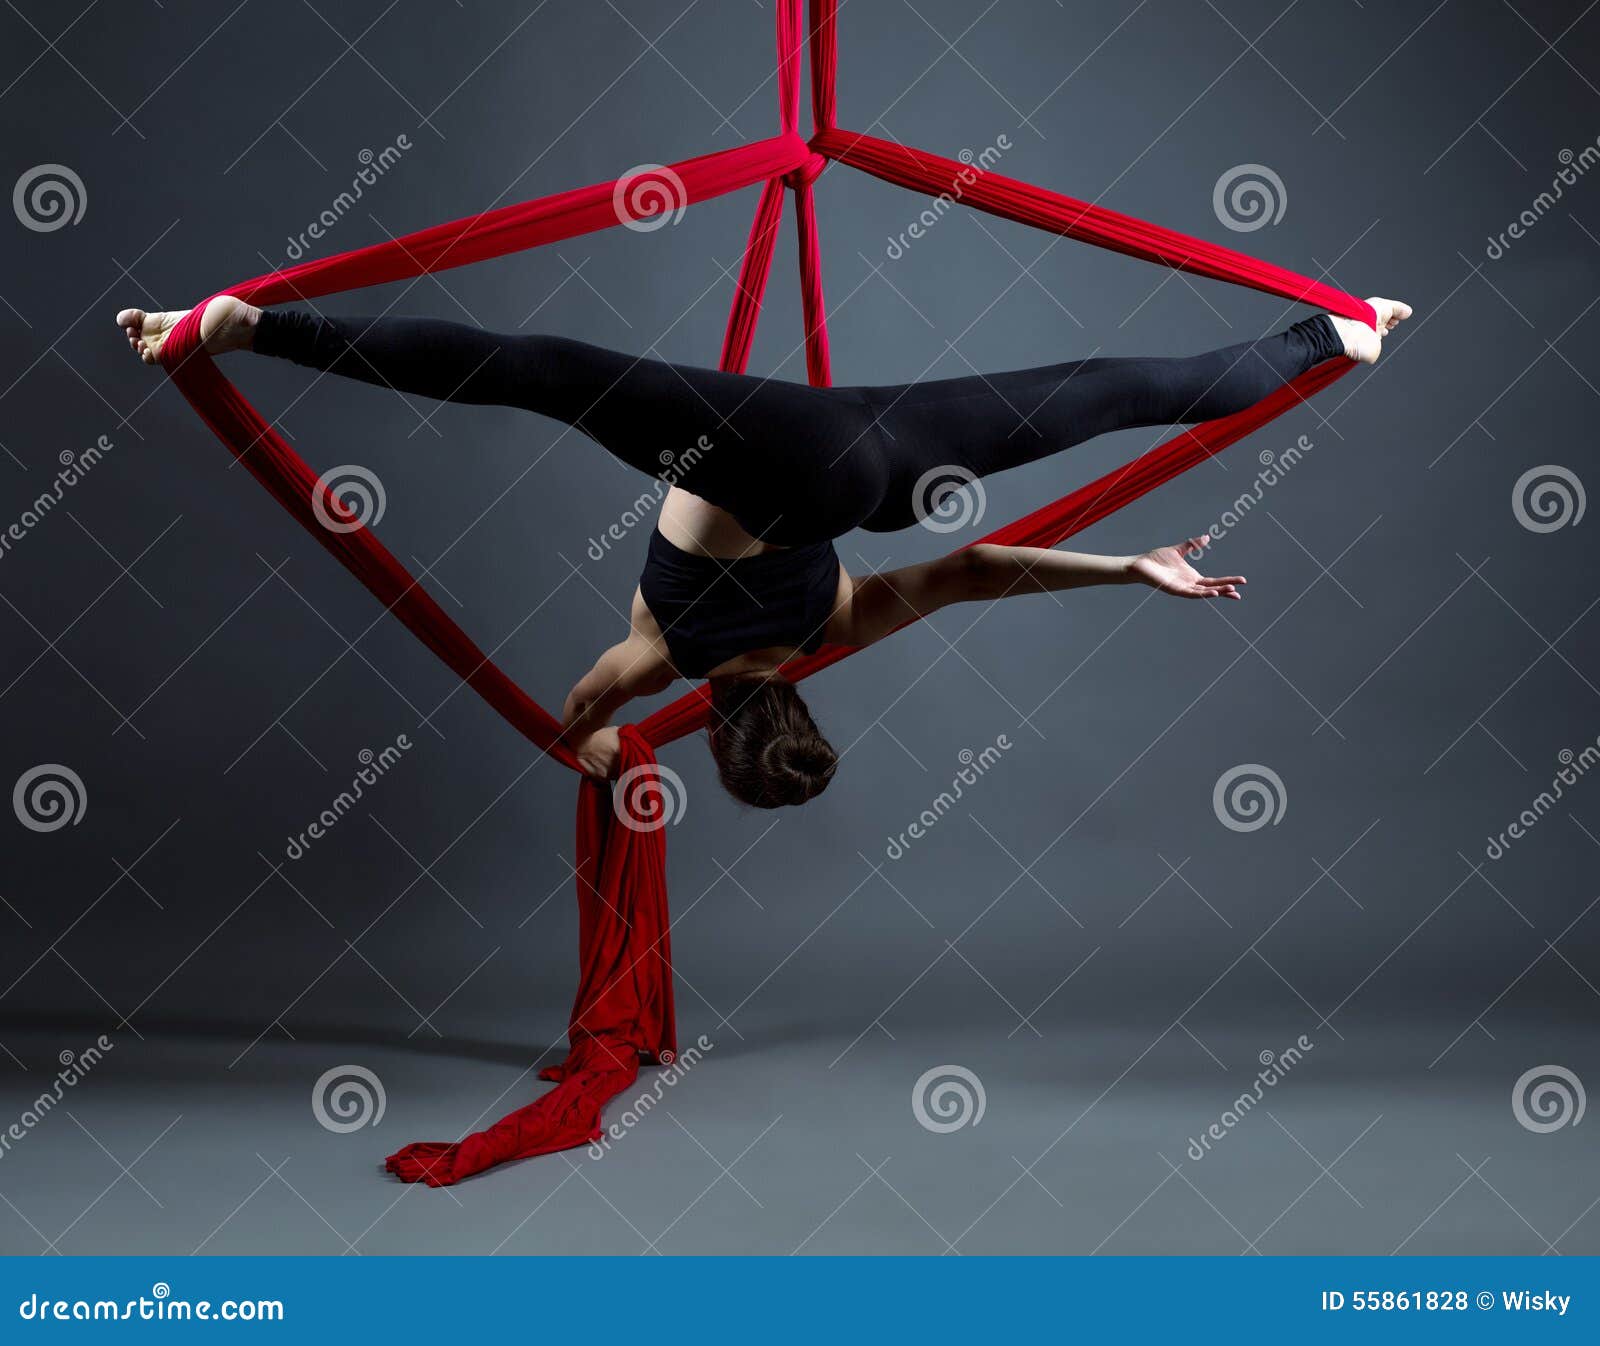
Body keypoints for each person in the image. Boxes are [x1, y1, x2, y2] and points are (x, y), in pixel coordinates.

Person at [118, 295, 1410, 806]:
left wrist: (1135, 568)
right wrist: (602, 746)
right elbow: (579, 710)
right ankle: (245, 328)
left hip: (875, 469)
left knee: (1107, 390)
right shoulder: (662, 652)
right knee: (540, 372)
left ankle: (1338, 333)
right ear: (718, 719)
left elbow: (970, 573)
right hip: (766, 457)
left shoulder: (828, 623)